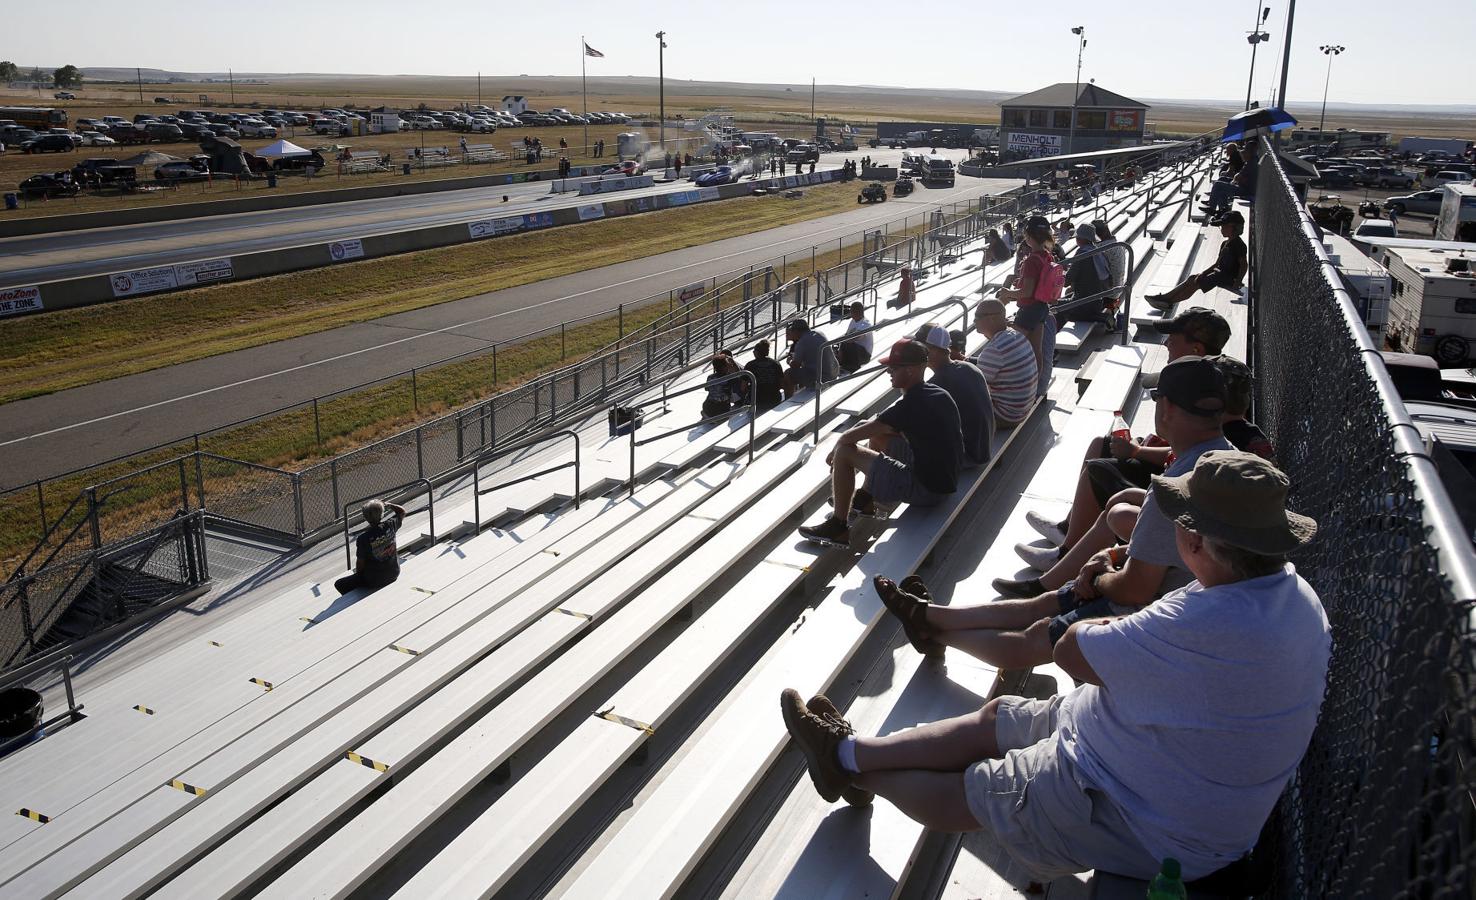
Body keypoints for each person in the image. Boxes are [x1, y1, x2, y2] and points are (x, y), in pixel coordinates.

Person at [780, 451, 1329, 884]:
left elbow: (1071, 650)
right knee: (997, 717)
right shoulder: (1295, 597)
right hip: (1156, 756)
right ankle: (846, 750)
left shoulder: (1202, 617)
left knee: (981, 792)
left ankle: (851, 771)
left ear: (1194, 541)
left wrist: (1098, 600)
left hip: (1150, 820)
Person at [994, 356, 1234, 607]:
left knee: (1044, 632)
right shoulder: (1230, 457)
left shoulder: (1170, 491)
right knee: (1119, 504)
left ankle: (1045, 593)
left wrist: (1099, 574)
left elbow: (1133, 591)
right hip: (1222, 585)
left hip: (1180, 603)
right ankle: (1052, 577)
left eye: (1155, 399)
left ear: (1167, 409)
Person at [1020, 307, 1232, 559]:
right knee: (1101, 444)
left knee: (1099, 468)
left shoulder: (1212, 389)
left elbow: (1195, 457)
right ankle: (1069, 529)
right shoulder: (1200, 376)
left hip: (1180, 489)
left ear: (1196, 349)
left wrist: (1138, 451)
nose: (1165, 344)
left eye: (1173, 341)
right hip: (1173, 469)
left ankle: (1066, 554)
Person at [797, 340, 963, 548]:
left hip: (927, 490)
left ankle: (838, 527)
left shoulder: (910, 405)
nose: (888, 372)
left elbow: (847, 439)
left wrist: (837, 449)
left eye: (893, 368)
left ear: (911, 370)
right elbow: (875, 427)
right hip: (944, 481)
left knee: (845, 452)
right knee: (874, 433)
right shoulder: (936, 393)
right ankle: (865, 499)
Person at [997, 215, 1063, 399]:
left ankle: (1016, 387)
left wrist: (1006, 292)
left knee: (1009, 348)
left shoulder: (1032, 260)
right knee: (1036, 351)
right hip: (1042, 308)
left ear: (1028, 235)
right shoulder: (1046, 255)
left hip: (1029, 311)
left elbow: (1026, 293)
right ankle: (1035, 386)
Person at [917, 323, 995, 467]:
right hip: (983, 449)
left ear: (931, 350)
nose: (913, 352)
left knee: (890, 441)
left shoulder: (938, 384)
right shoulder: (969, 367)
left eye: (917, 347)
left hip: (967, 457)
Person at [1146, 211, 1247, 311]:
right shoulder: (1225, 243)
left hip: (1227, 278)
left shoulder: (1239, 245)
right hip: (1219, 274)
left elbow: (1244, 265)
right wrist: (1204, 273)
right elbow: (1217, 263)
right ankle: (1164, 298)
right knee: (1193, 278)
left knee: (1197, 283)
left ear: (1234, 228)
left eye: (1224, 226)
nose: (1222, 229)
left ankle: (1168, 302)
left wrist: (1238, 282)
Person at [969, 299, 1037, 427]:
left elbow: (973, 388)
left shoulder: (994, 349)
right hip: (1021, 410)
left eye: (978, 316)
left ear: (992, 318)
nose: (974, 321)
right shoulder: (1016, 336)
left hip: (1006, 416)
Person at [334, 499, 407, 595]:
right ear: (382, 514)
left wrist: (359, 576)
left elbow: (360, 563)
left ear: (365, 517)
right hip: (394, 572)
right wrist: (389, 505)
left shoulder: (363, 538)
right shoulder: (390, 525)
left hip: (374, 580)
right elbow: (402, 511)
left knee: (339, 584)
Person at [1060, 222, 1111, 324]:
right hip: (1097, 303)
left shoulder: (1082, 254)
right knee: (1060, 301)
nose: (1076, 239)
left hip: (1083, 305)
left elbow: (1066, 282)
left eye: (1077, 237)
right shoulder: (1099, 252)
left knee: (1053, 308)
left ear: (1082, 239)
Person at [781, 318, 839, 398]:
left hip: (823, 377)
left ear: (797, 331)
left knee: (788, 373)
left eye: (792, 331)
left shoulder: (802, 342)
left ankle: (788, 399)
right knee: (805, 369)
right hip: (834, 371)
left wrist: (789, 361)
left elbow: (795, 366)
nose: (792, 333)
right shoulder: (819, 332)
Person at [744, 340, 785, 412]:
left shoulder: (750, 365)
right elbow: (782, 383)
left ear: (756, 352)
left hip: (757, 400)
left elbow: (743, 387)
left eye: (754, 351)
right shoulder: (775, 363)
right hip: (774, 398)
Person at [701, 353, 746, 418]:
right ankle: (717, 417)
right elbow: (740, 374)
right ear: (724, 367)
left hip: (707, 405)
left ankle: (708, 414)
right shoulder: (730, 378)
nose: (730, 364)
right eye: (728, 364)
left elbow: (707, 388)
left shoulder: (710, 377)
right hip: (723, 408)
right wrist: (733, 363)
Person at [838, 301, 873, 374]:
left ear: (857, 312)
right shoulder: (853, 321)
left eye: (852, 311)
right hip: (855, 351)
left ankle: (852, 367)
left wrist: (844, 342)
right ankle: (841, 364)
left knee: (849, 344)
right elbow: (847, 335)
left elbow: (857, 337)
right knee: (840, 345)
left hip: (865, 355)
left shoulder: (865, 323)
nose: (850, 313)